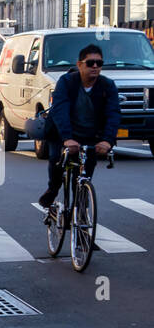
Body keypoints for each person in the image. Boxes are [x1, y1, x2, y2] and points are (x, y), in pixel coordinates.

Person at [39, 42, 117, 211]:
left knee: (84, 174)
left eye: (99, 63)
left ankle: (81, 206)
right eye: (90, 63)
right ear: (79, 64)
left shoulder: (108, 85)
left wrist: (107, 140)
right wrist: (67, 138)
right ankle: (53, 189)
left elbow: (113, 114)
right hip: (62, 133)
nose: (95, 66)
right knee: (57, 159)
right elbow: (60, 110)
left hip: (90, 135)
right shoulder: (66, 82)